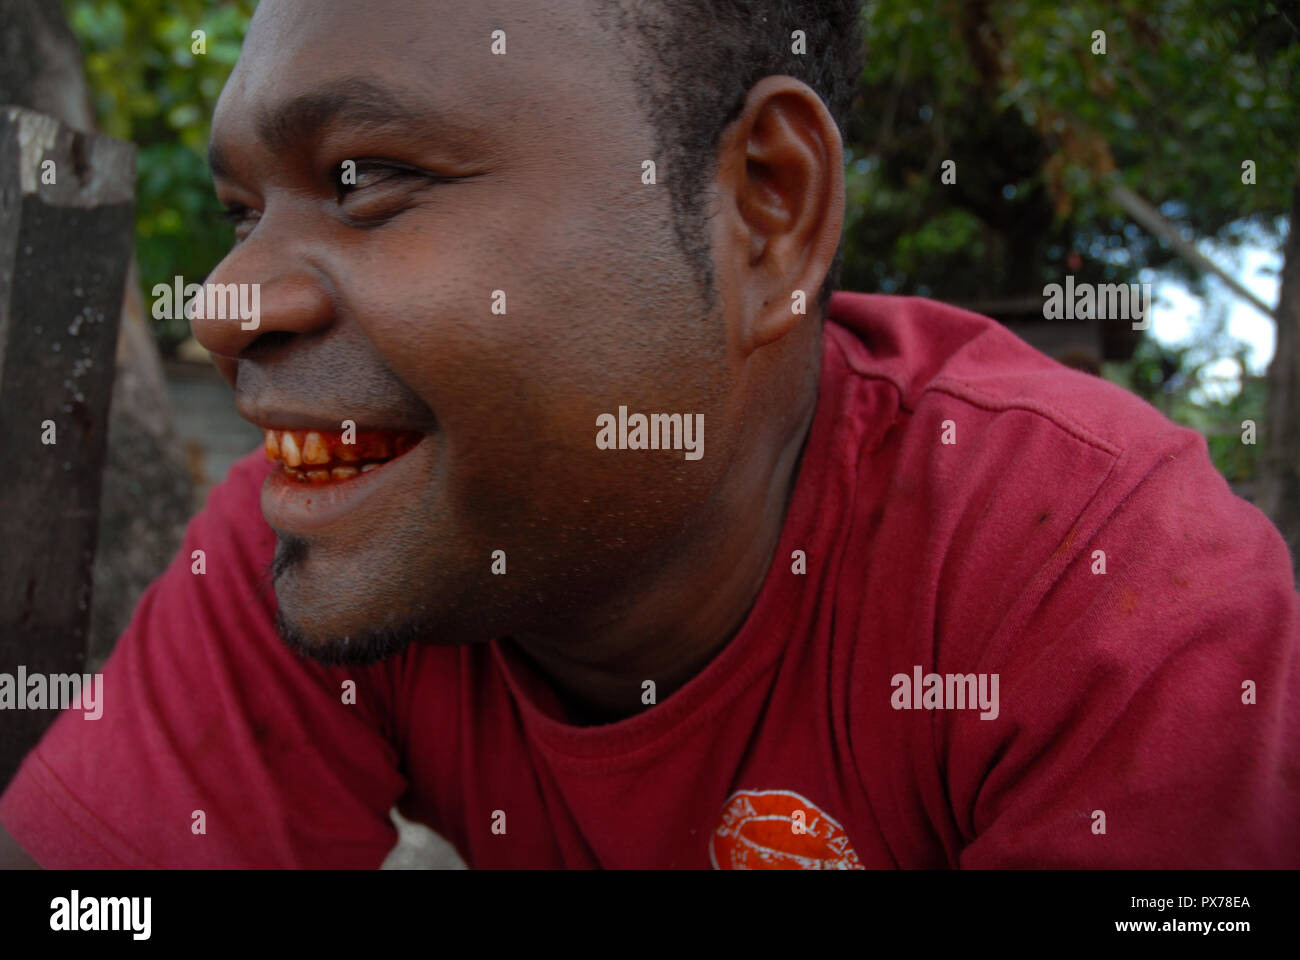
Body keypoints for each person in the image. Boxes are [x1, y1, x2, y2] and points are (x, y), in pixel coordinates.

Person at [2, 0, 1297, 869]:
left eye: (363, 178)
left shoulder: (1106, 587)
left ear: (766, 212)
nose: (226, 308)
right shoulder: (339, 529)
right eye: (244, 210)